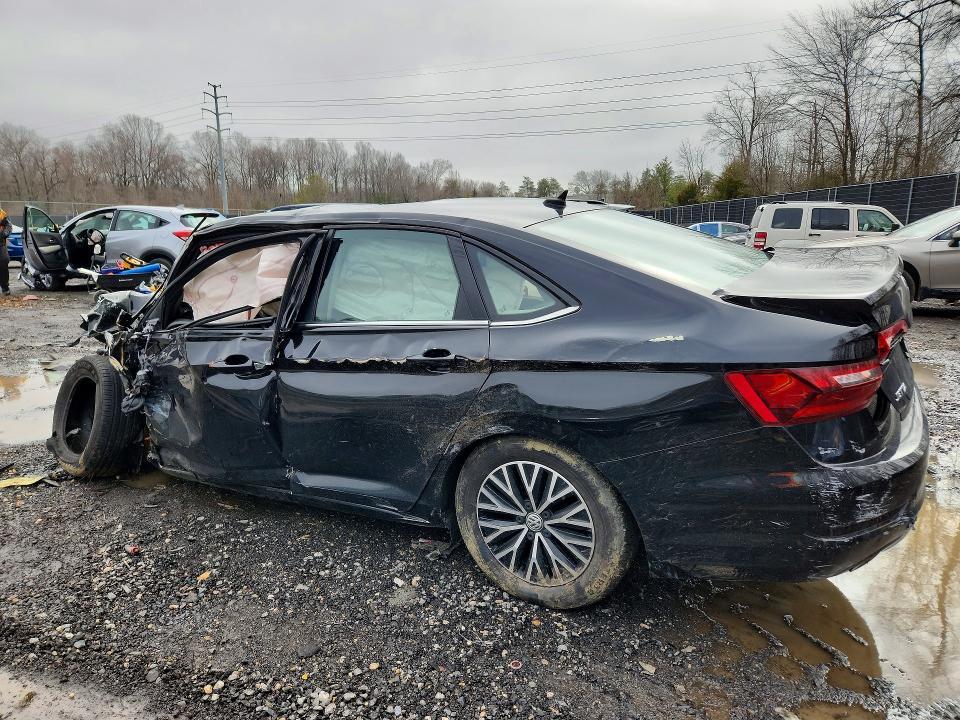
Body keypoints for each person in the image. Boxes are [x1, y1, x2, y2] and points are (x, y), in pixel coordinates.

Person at [0, 208, 11, 295]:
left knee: (3, 261)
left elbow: (8, 225)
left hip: (1, 243)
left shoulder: (1, 213)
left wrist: (4, 233)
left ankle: (5, 287)